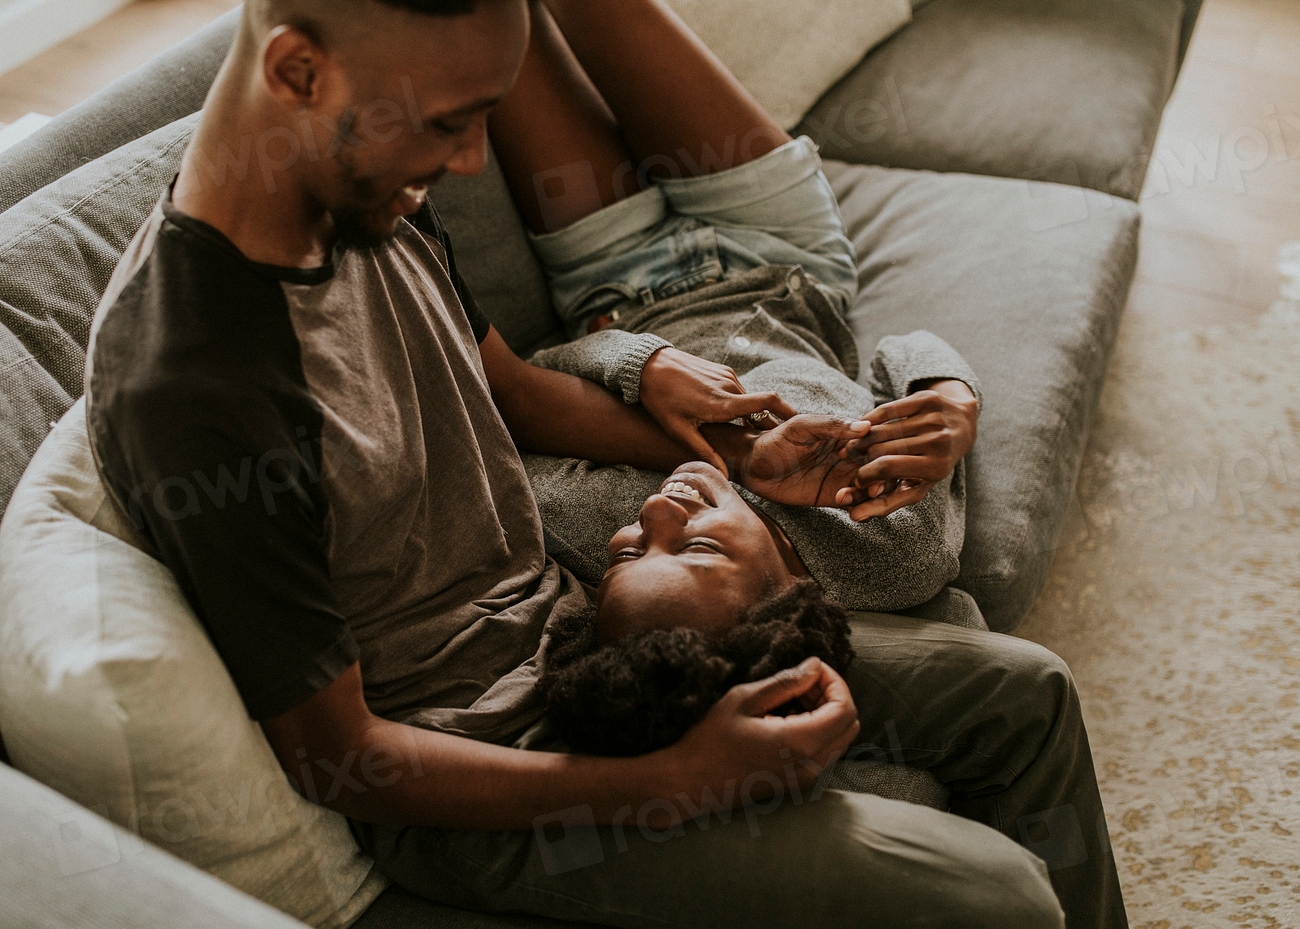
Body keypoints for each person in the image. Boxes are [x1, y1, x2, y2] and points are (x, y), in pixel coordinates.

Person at [80, 0, 1125, 926]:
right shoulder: (196, 380)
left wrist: (744, 454)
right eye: (450, 122)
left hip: (577, 628)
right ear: (300, 72)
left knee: (1022, 691)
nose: (472, 162)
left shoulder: (370, 199)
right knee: (990, 897)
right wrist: (671, 778)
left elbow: (521, 395)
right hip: (488, 768)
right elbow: (337, 753)